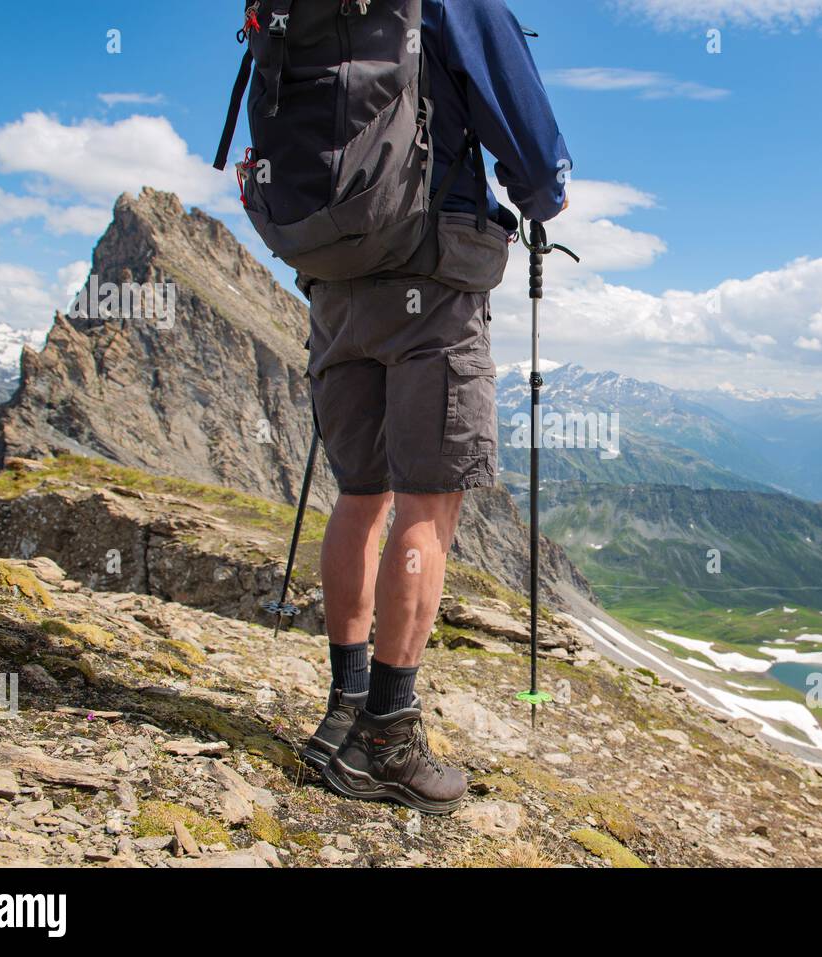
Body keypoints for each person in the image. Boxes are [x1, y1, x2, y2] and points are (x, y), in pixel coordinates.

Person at [299, 0, 571, 815]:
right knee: (428, 496)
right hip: (433, 272)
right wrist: (540, 195)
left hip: (334, 280)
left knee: (359, 494)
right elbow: (531, 143)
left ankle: (343, 711)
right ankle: (389, 736)